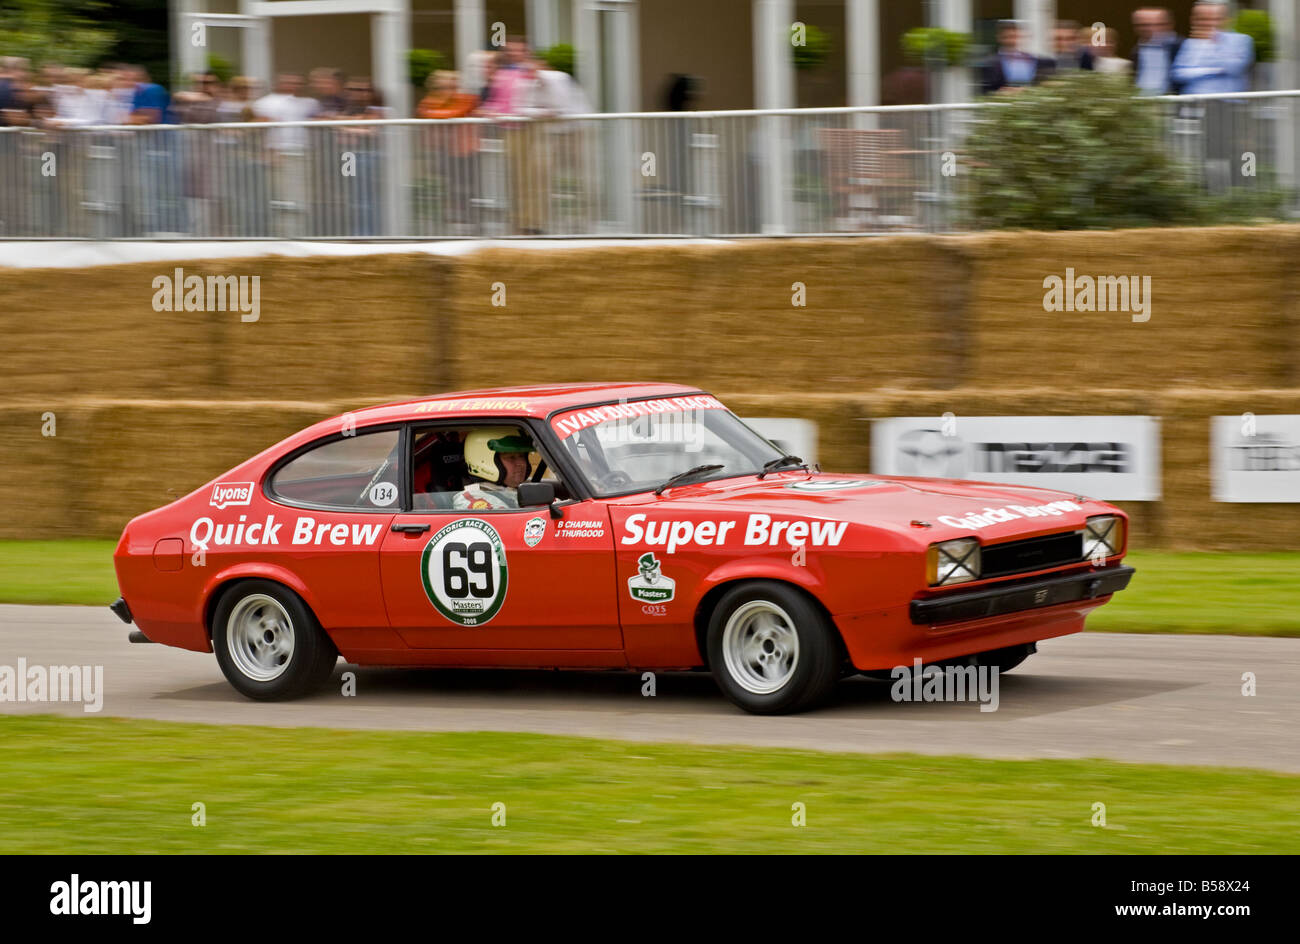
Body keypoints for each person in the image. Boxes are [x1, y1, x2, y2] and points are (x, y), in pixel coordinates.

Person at [1171, 1, 1254, 95]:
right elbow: (1179, 74)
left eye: (1214, 19)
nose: (1208, 23)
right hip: (1195, 101)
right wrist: (1215, 70)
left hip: (1227, 103)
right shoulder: (1190, 43)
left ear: (1226, 19)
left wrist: (1215, 41)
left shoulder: (1241, 40)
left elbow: (1234, 68)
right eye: (1203, 19)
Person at [453, 429, 535, 510]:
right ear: (484, 461)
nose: (521, 463)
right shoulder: (473, 499)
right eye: (511, 457)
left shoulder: (513, 492)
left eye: (522, 456)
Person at [980, 20, 1054, 95]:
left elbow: (1042, 86)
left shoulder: (1033, 60)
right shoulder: (990, 62)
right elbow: (984, 91)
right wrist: (1000, 93)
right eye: (1007, 37)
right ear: (999, 38)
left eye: (1014, 36)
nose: (1011, 40)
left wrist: (1025, 90)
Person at [1131, 7, 1184, 95]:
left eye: (1157, 24)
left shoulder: (1181, 46)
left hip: (1170, 100)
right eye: (1143, 25)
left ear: (1170, 24)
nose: (1150, 29)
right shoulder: (1136, 50)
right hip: (1143, 100)